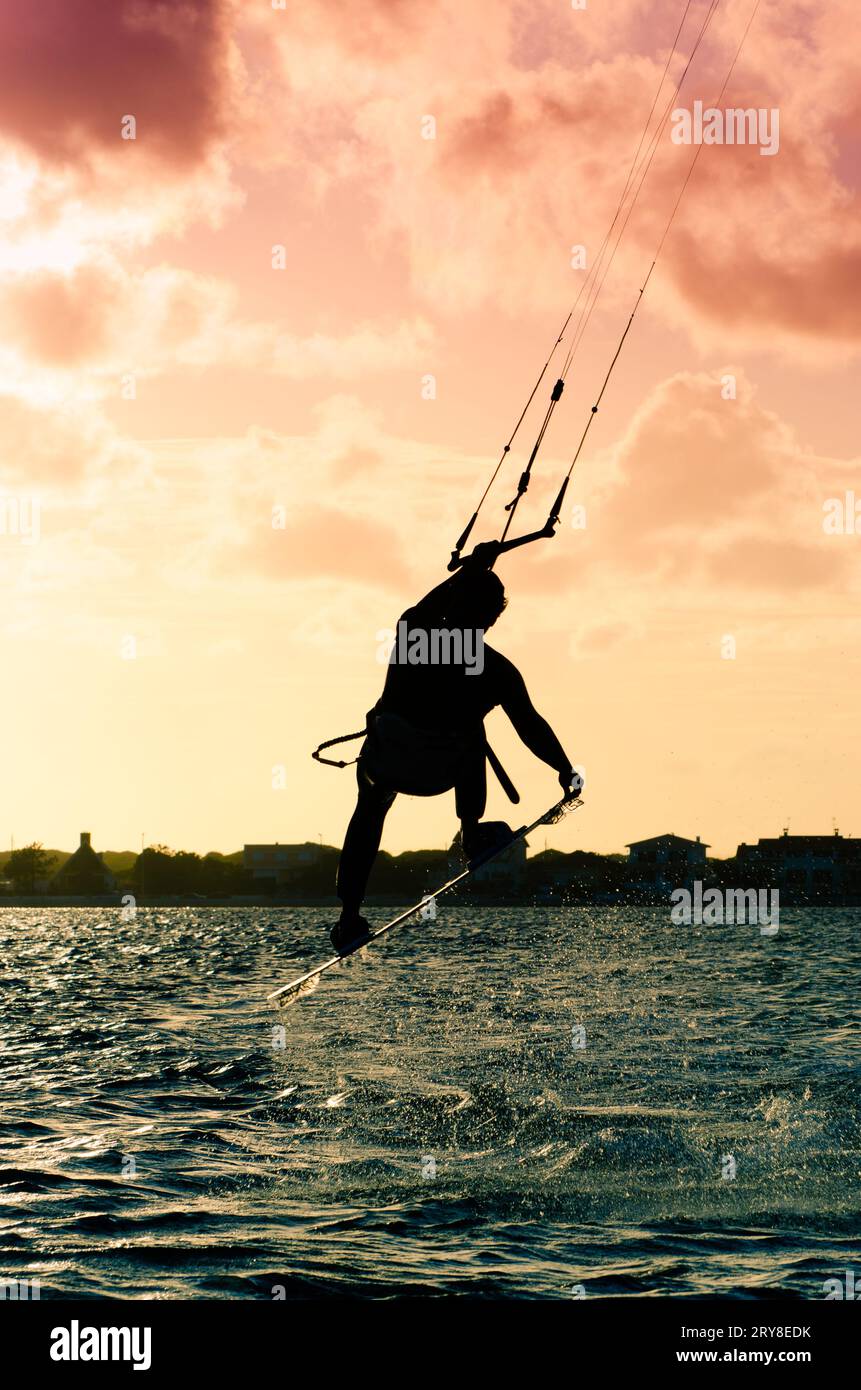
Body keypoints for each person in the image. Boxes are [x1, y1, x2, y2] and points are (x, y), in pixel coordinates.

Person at [331, 543, 578, 952]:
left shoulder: (415, 633)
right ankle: (471, 833)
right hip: (439, 771)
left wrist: (469, 571)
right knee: (472, 731)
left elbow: (429, 603)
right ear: (494, 618)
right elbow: (529, 726)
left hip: (386, 763)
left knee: (369, 814)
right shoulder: (495, 669)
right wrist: (565, 769)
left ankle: (348, 917)